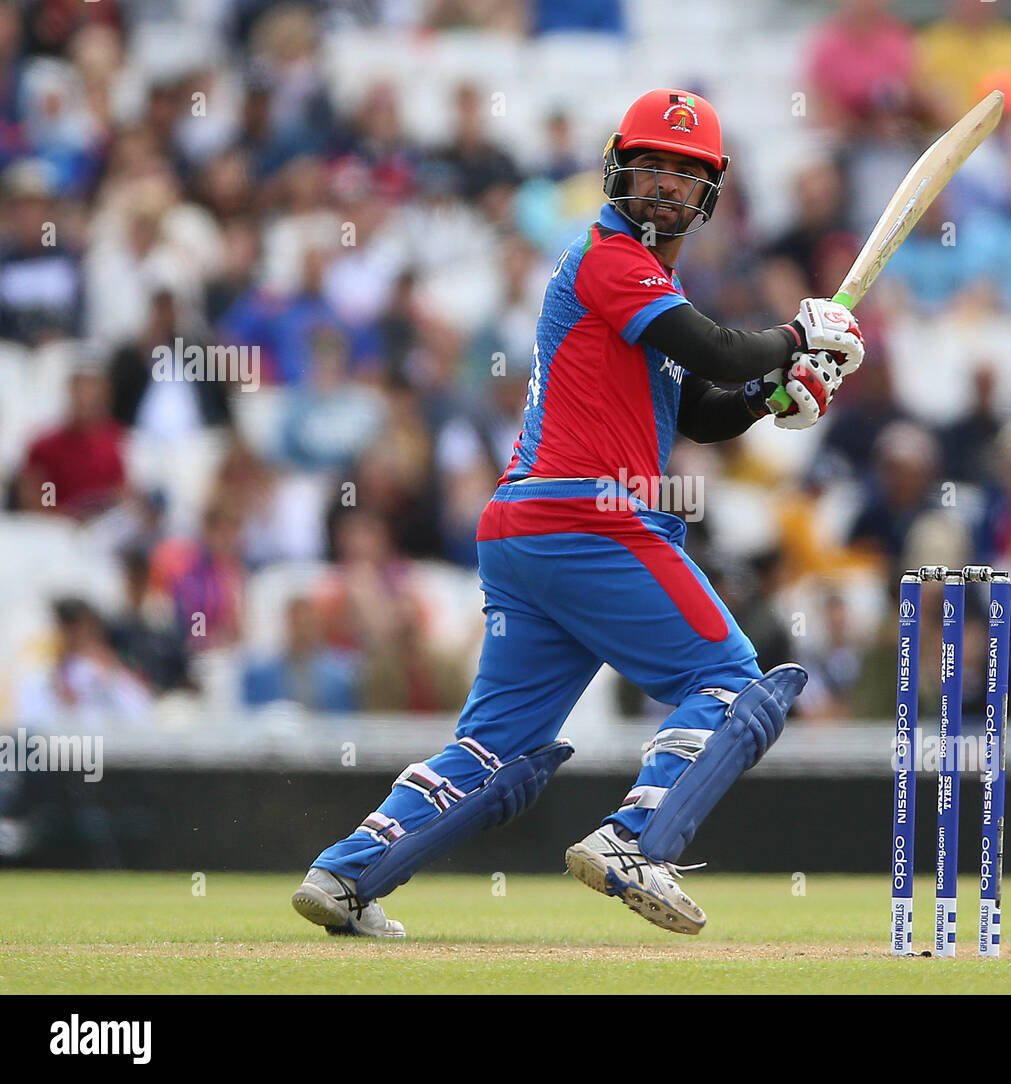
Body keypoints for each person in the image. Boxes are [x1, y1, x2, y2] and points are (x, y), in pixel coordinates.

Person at [290, 89, 864, 938]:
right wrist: (796, 334)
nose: (667, 186)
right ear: (618, 172)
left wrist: (775, 393)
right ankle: (635, 840)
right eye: (653, 167)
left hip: (530, 531)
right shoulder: (609, 257)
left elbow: (702, 406)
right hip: (589, 517)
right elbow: (715, 347)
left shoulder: (650, 285)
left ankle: (346, 875)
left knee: (501, 750)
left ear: (708, 194)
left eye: (685, 173)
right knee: (729, 678)